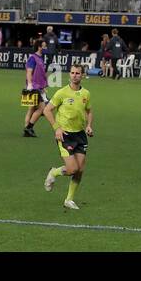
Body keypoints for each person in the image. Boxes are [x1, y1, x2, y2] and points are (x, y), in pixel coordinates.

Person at [43, 63, 94, 211]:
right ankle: (54, 172)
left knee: (80, 170)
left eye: (78, 73)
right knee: (72, 169)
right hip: (65, 135)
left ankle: (69, 199)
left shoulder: (86, 94)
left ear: (82, 75)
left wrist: (89, 126)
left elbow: (89, 111)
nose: (74, 75)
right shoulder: (62, 93)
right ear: (69, 74)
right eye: (72, 73)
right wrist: (56, 128)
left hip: (80, 135)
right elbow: (47, 110)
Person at [23, 40, 49, 137]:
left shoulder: (40, 58)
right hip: (34, 87)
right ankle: (29, 127)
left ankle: (27, 129)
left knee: (32, 108)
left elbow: (41, 74)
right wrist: (29, 85)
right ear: (39, 47)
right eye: (44, 46)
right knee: (41, 108)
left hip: (38, 87)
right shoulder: (33, 58)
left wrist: (43, 87)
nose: (45, 48)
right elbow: (29, 72)